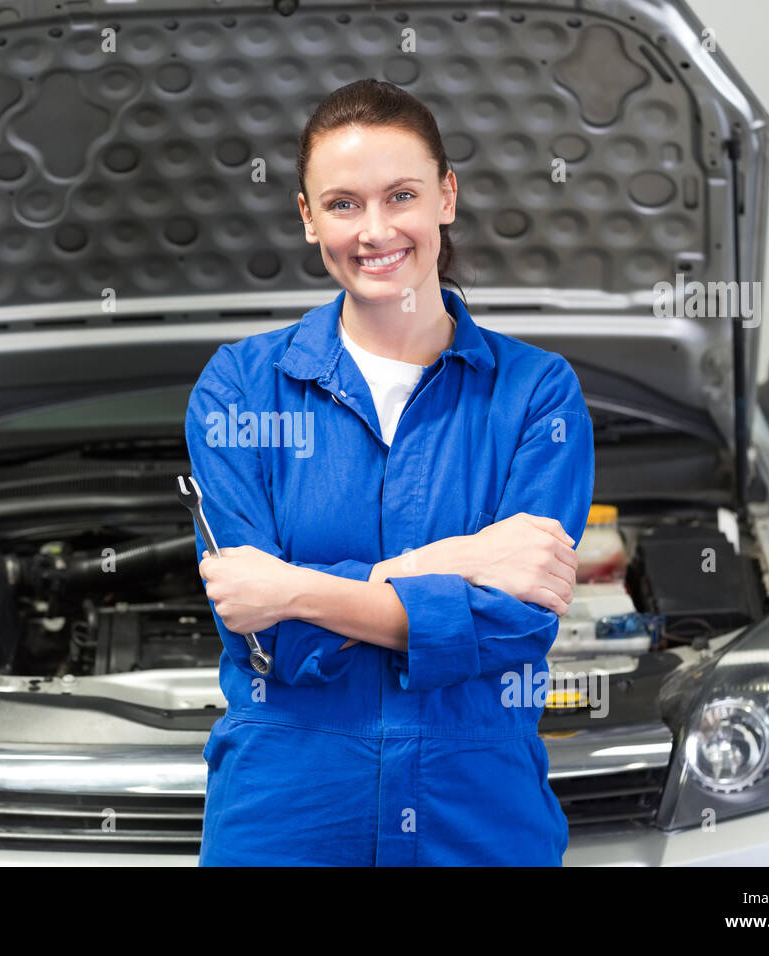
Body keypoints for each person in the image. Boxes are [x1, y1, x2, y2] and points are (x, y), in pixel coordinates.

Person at [184, 78, 595, 866]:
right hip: (285, 813)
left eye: (400, 195)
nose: (375, 231)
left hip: (478, 811)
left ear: (446, 195)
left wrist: (300, 587)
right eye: (342, 204)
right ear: (307, 218)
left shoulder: (536, 392)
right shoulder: (239, 388)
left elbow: (515, 622)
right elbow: (266, 637)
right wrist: (455, 563)